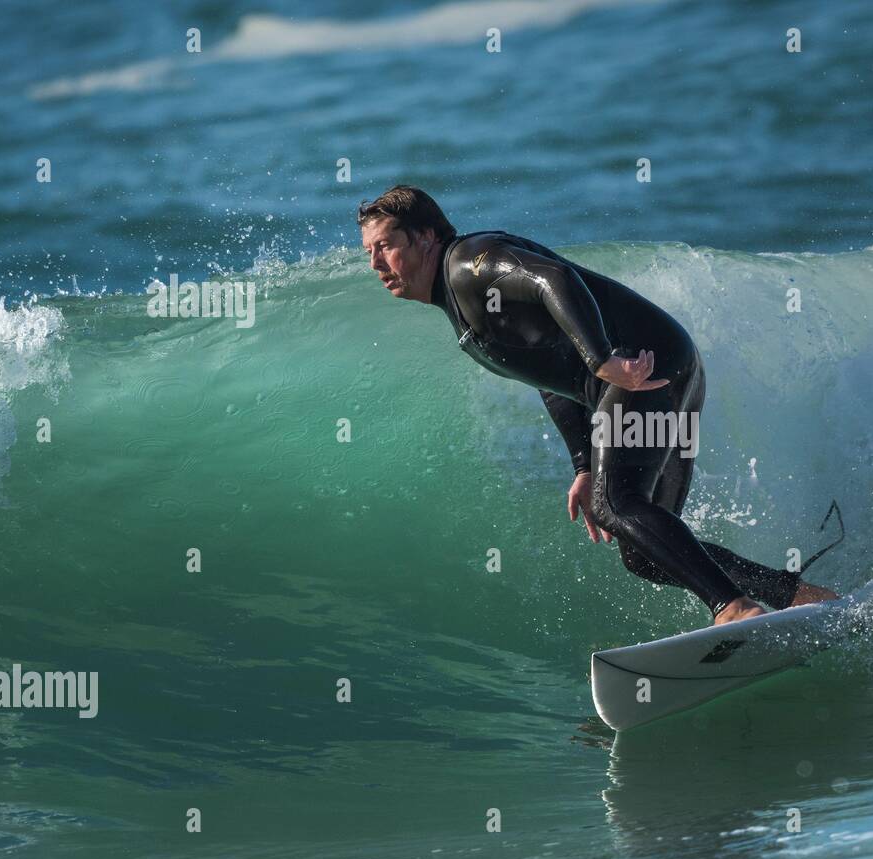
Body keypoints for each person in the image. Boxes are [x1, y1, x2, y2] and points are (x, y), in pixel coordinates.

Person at [358, 185, 838, 625]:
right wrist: (584, 464)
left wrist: (602, 359)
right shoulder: (459, 302)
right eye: (369, 252)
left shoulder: (468, 262)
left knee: (617, 505)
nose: (376, 263)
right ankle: (797, 595)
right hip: (667, 369)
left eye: (386, 246)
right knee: (644, 551)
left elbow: (555, 280)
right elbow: (549, 377)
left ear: (424, 237)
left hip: (644, 367)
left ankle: (733, 607)